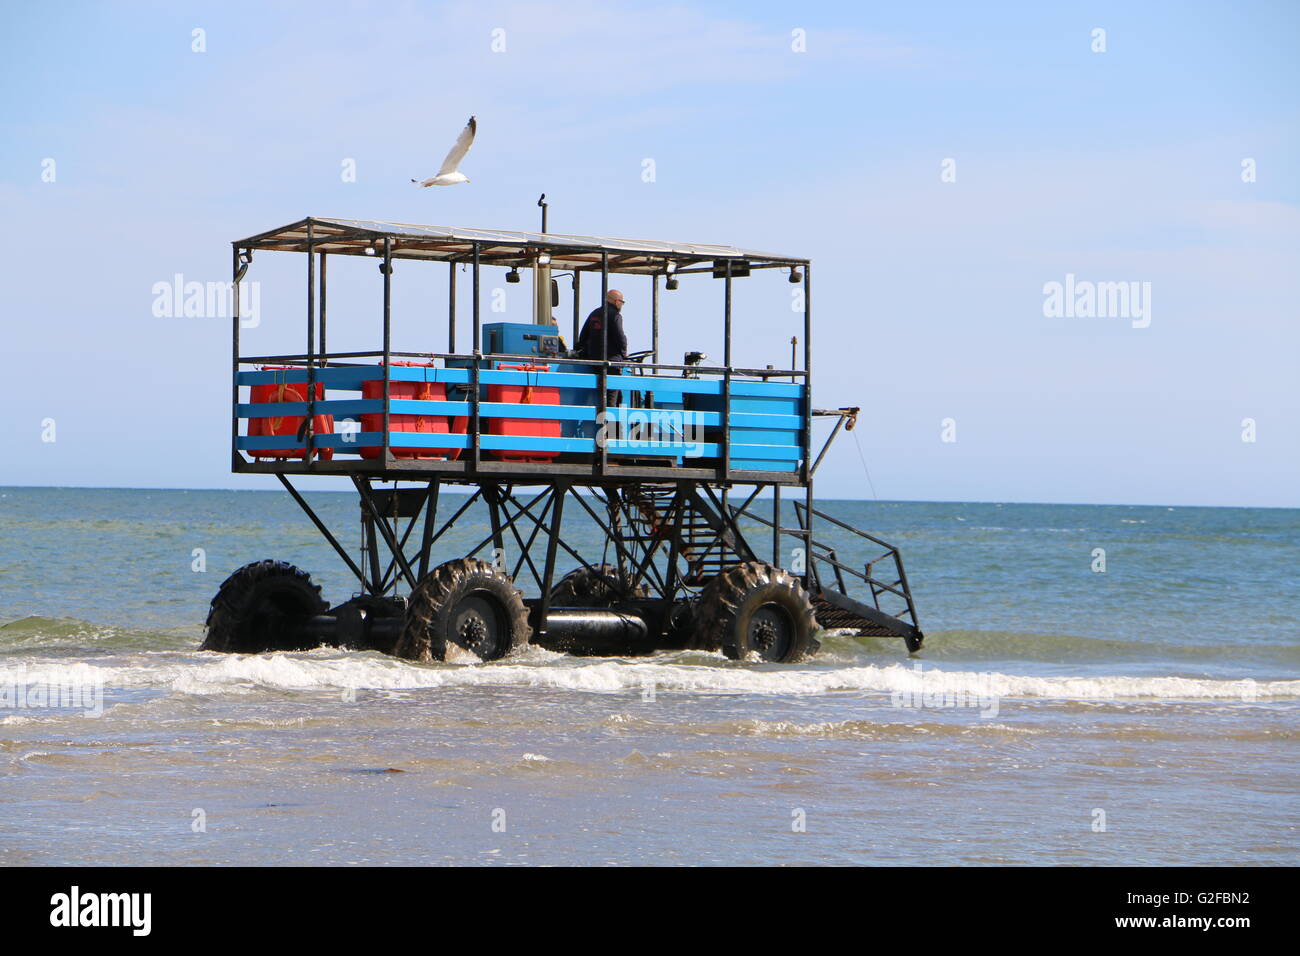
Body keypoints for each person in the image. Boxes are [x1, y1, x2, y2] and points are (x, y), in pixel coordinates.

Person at [575, 289, 628, 362]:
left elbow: (583, 336)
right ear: (617, 302)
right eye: (622, 302)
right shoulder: (615, 316)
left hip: (592, 360)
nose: (622, 305)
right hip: (611, 360)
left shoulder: (594, 313)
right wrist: (624, 352)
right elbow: (620, 336)